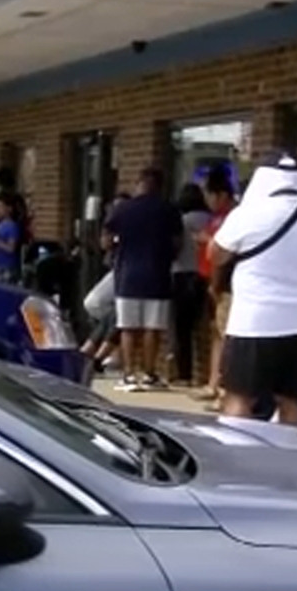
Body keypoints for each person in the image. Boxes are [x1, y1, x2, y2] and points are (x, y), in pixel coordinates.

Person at [209, 155, 297, 425]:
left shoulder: (248, 214)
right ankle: (290, 461)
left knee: (240, 399)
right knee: (293, 401)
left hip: (254, 322)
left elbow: (216, 255)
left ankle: (236, 458)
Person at [103, 167, 182, 391]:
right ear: (160, 185)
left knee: (128, 328)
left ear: (138, 183)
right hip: (158, 276)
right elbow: (177, 243)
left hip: (127, 276)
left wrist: (118, 247)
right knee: (152, 329)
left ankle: (128, 376)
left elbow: (106, 241)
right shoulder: (169, 210)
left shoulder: (123, 209)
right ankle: (149, 374)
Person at [191, 166, 237, 409]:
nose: (207, 201)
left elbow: (223, 253)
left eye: (209, 195)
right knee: (216, 335)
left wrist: (216, 285)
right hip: (209, 279)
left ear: (221, 194)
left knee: (228, 336)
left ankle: (225, 392)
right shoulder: (215, 218)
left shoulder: (233, 217)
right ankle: (213, 383)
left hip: (225, 285)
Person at [171, 184, 214, 385]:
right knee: (206, 328)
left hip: (182, 274)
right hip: (205, 276)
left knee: (182, 329)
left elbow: (175, 249)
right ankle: (206, 373)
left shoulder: (180, 222)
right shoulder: (210, 220)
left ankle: (184, 374)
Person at [0, 195, 22, 284]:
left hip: (7, 267)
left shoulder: (12, 226)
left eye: (0, 207)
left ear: (9, 209)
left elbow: (11, 248)